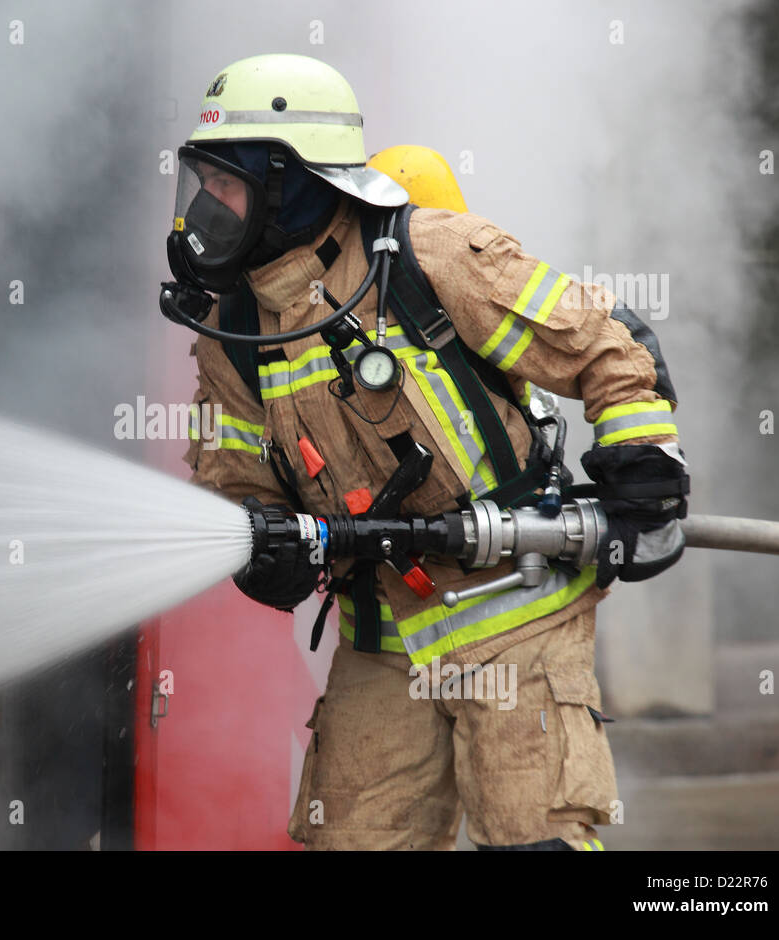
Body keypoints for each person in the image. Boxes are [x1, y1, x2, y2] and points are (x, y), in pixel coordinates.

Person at [164, 54, 689, 850]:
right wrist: (257, 537)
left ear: (288, 181)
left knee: (535, 842)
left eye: (224, 184)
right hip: (382, 639)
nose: (206, 208)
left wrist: (644, 471)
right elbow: (234, 477)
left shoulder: (432, 256)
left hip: (520, 610)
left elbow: (607, 349)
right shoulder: (233, 337)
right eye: (200, 184)